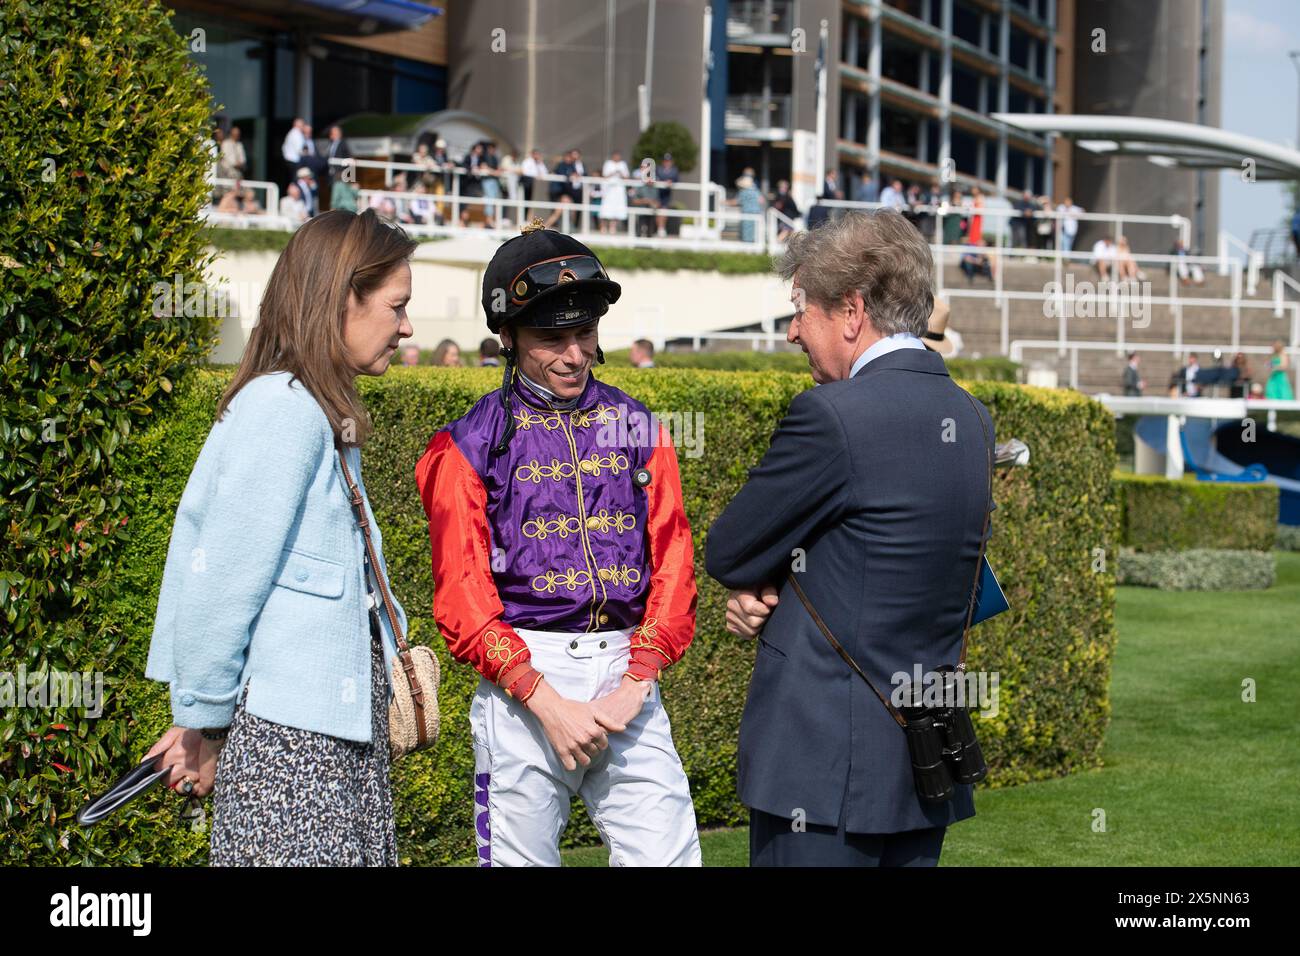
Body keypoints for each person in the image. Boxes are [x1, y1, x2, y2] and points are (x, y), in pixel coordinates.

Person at [704, 209, 994, 867]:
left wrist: (763, 582)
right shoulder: (972, 419)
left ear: (853, 310)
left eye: (801, 308)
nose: (791, 332)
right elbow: (890, 553)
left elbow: (730, 550)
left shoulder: (832, 415)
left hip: (821, 766)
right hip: (925, 760)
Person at [414, 221, 702, 866]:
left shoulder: (639, 425)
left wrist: (637, 681)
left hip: (630, 675)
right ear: (508, 337)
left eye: (586, 334)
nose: (574, 355)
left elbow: (674, 558)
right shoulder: (464, 445)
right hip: (524, 684)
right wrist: (544, 699)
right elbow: (462, 593)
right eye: (552, 338)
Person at [143, 208, 419, 865]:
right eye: (396, 305)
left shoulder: (311, 410)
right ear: (340, 298)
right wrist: (203, 722)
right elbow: (222, 581)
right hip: (296, 754)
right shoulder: (283, 411)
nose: (407, 327)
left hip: (325, 743)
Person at [598, 151, 629, 234]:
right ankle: (603, 227)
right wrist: (614, 173)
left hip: (619, 190)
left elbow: (626, 177)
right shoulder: (608, 163)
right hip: (609, 189)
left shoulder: (623, 164)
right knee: (605, 208)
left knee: (617, 208)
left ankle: (613, 227)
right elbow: (604, 176)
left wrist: (620, 173)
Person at [735, 170, 764, 244]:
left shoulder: (743, 191)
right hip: (756, 213)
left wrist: (723, 202)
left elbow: (736, 201)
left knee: (746, 235)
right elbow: (761, 200)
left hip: (747, 214)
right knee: (754, 234)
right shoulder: (756, 190)